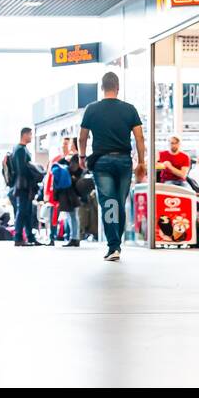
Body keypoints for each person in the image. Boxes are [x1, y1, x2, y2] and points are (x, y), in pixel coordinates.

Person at [78, 71, 147, 261]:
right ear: (118, 87)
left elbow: (82, 136)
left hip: (101, 162)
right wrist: (141, 162)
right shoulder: (129, 109)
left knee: (109, 204)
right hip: (124, 161)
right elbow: (139, 137)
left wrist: (82, 156)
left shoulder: (92, 109)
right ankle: (117, 244)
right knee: (119, 203)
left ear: (102, 87)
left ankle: (113, 246)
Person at [5, 127, 41, 246]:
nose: (31, 137)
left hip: (22, 184)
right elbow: (22, 169)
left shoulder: (20, 149)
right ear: (24, 135)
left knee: (27, 211)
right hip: (23, 185)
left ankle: (29, 236)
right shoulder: (20, 149)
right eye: (30, 134)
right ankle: (18, 237)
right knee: (22, 211)